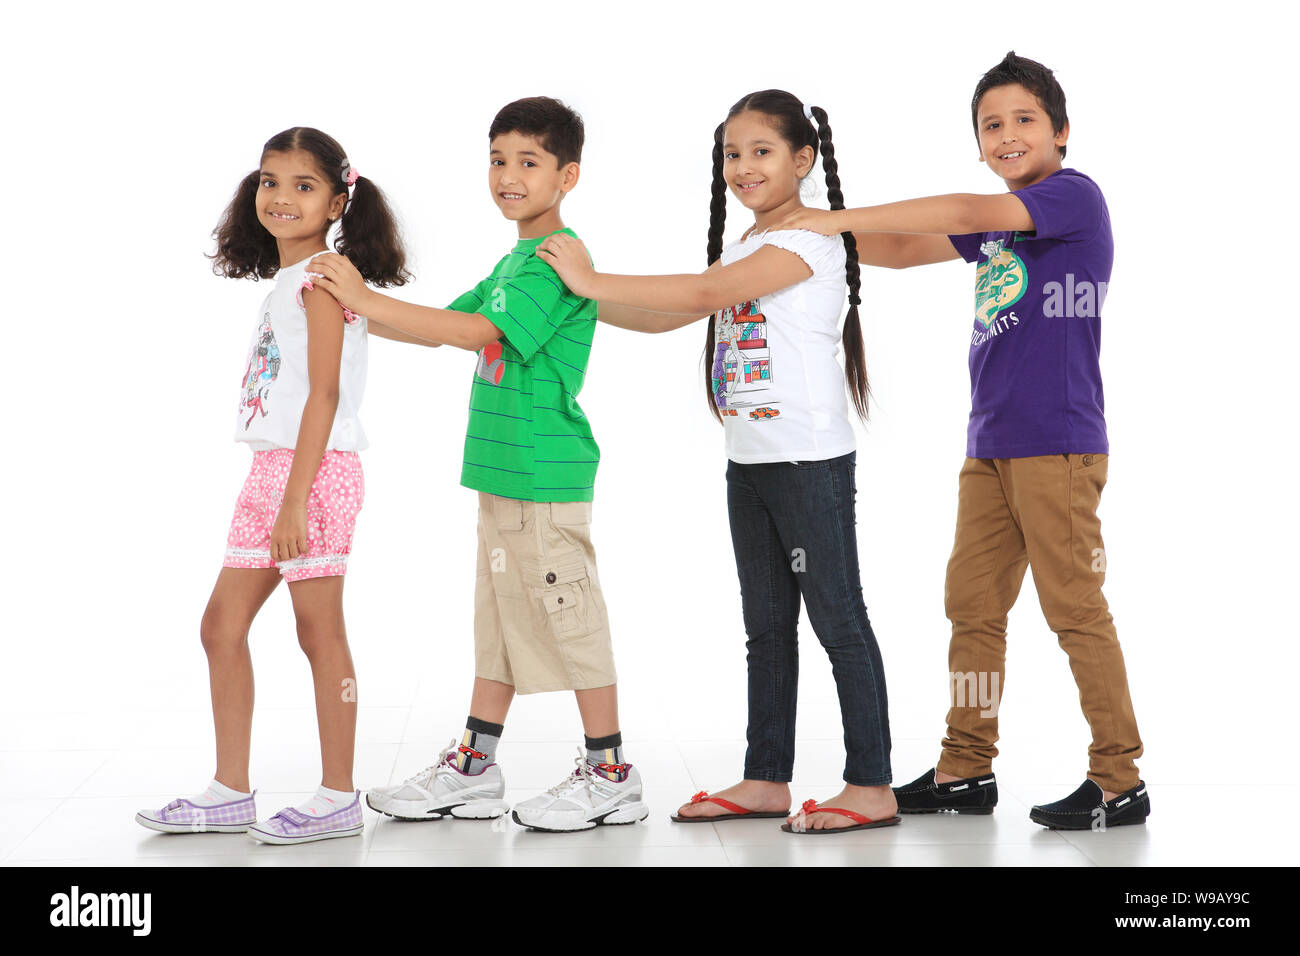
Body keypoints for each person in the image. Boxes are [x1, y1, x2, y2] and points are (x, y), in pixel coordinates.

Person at [773, 51, 1149, 830]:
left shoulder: (1071, 198)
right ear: (978, 141)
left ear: (1062, 131)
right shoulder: (1001, 230)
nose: (1006, 134)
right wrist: (800, 237)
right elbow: (910, 248)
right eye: (990, 125)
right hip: (991, 448)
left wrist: (832, 218)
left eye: (1023, 120)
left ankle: (1119, 779)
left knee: (1075, 609)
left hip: (1060, 447)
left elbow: (963, 210)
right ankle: (965, 769)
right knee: (972, 607)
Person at [538, 89, 898, 834]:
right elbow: (673, 312)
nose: (742, 166)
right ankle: (766, 778)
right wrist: (577, 297)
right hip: (752, 460)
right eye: (732, 154)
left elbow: (703, 291)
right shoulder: (745, 247)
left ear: (804, 160)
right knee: (765, 627)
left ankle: (870, 784)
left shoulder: (807, 243)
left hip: (808, 464)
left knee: (840, 621)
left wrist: (591, 280)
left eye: (761, 151)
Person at [307, 97, 650, 833]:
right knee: (495, 628)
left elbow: (471, 332)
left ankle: (611, 772)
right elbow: (437, 330)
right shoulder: (512, 261)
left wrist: (363, 298)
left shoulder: (557, 261)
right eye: (498, 160)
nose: (508, 176)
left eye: (528, 162)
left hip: (543, 476)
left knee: (571, 619)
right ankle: (473, 767)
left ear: (569, 175)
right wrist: (350, 307)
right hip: (501, 480)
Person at [135, 127, 413, 844]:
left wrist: (295, 497)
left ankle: (336, 796)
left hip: (311, 475)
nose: (281, 197)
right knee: (220, 627)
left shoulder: (322, 277)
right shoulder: (291, 280)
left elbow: (323, 396)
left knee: (318, 631)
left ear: (338, 199)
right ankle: (229, 791)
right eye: (269, 180)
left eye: (303, 185)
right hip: (272, 471)